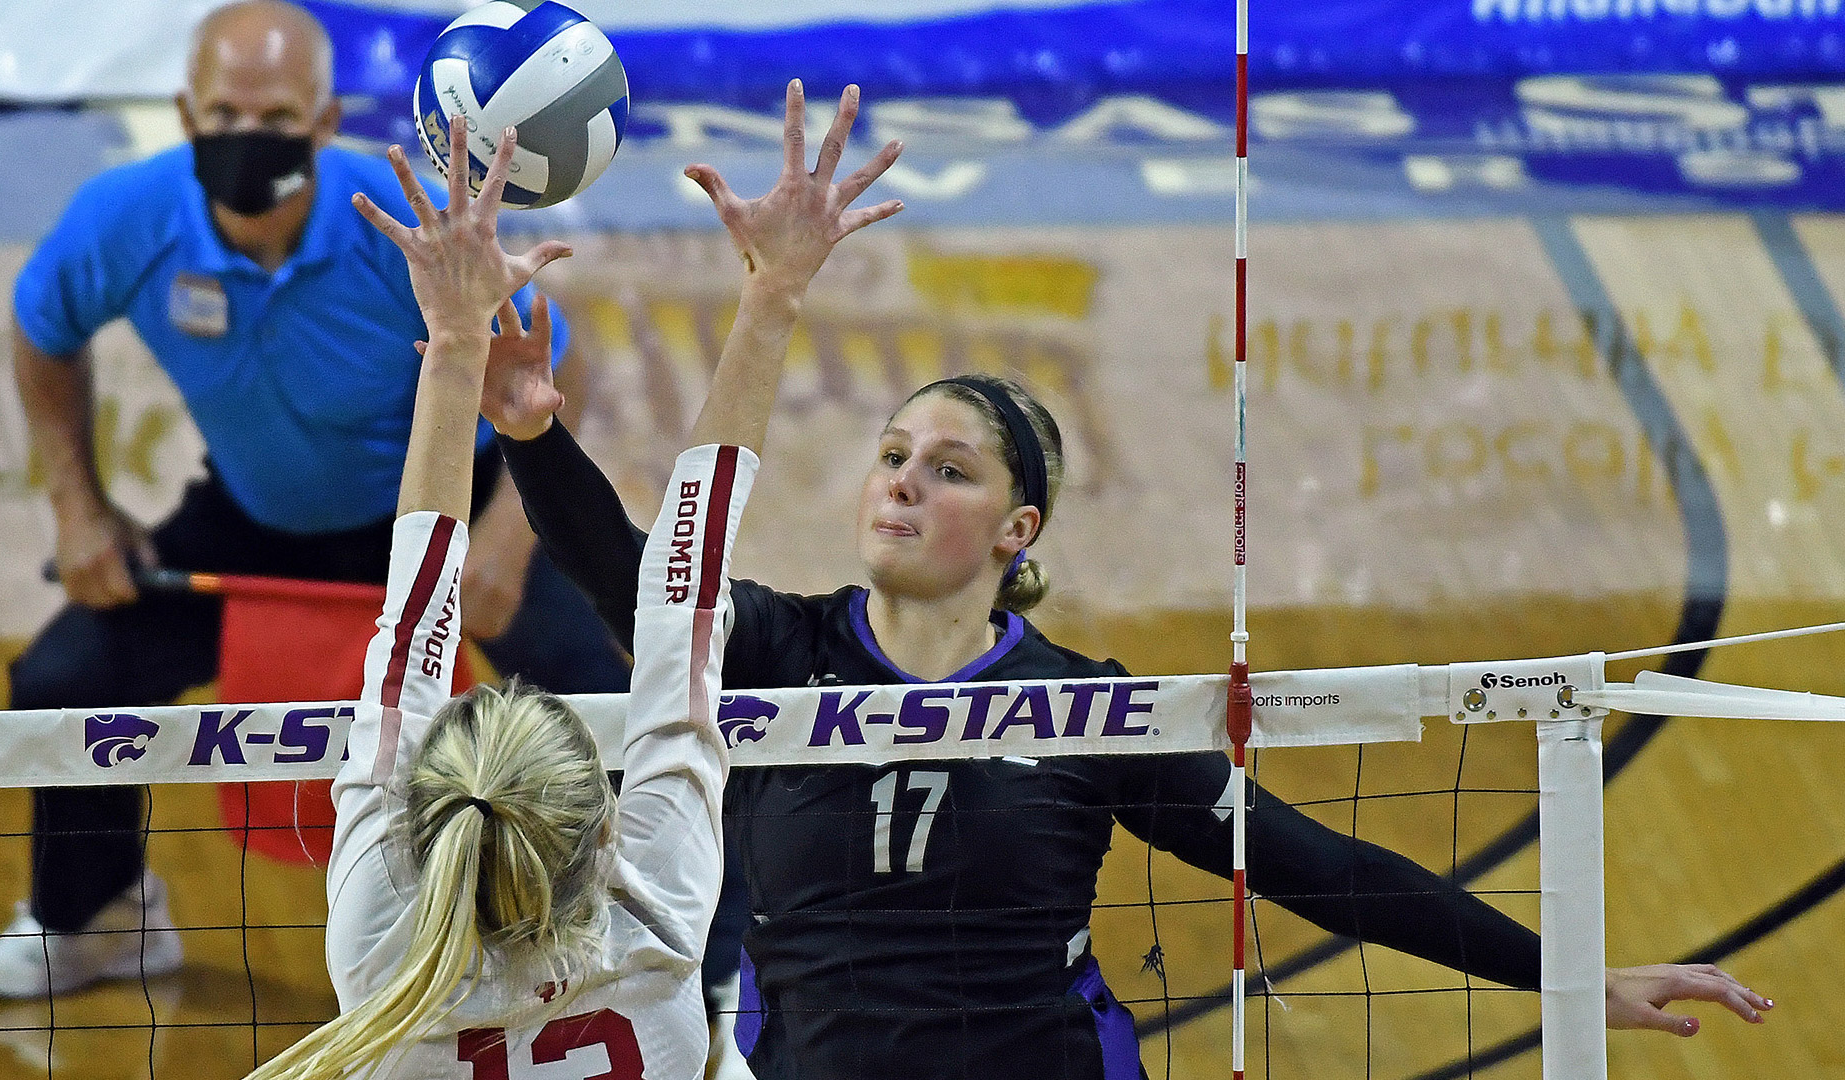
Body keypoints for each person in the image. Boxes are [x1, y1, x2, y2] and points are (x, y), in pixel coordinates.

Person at [485, 81, 1776, 1079]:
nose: (902, 484)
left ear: (1018, 526)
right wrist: (536, 437)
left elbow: (1325, 871)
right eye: (891, 458)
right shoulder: (779, 650)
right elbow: (633, 582)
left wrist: (1572, 978)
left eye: (948, 470)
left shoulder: (1090, 714)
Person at [0, 0, 629, 1001]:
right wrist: (79, 506)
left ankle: (636, 936)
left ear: (324, 123)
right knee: (65, 678)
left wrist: (503, 539)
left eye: (275, 117)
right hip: (255, 519)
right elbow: (41, 328)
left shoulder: (409, 228)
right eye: (223, 113)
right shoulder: (127, 220)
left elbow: (551, 375)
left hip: (444, 507)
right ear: (186, 114)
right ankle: (94, 919)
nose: (247, 138)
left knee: (600, 698)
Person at [245, 120, 760, 1080]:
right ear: (608, 834)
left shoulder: (380, 957)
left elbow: (413, 632)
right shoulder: (659, 923)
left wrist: (447, 344)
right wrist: (774, 294)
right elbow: (686, 596)